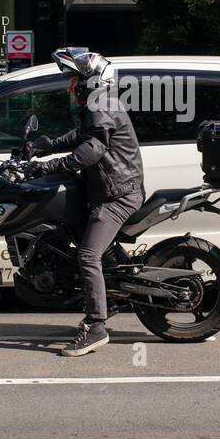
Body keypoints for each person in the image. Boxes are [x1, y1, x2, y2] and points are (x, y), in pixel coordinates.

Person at [24, 48, 144, 357]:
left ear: (90, 81)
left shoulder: (100, 103)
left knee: (88, 256)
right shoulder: (99, 105)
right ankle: (112, 297)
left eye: (73, 79)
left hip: (118, 195)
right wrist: (48, 145)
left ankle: (96, 327)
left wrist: (51, 165)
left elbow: (94, 148)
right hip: (107, 189)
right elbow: (83, 135)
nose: (69, 86)